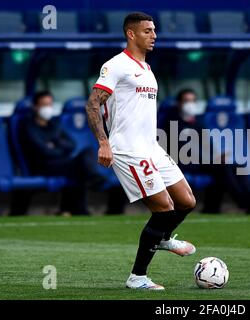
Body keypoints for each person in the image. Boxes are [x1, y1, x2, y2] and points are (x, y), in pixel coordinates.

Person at [86, 12, 196, 290]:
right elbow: (92, 104)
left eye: (155, 30)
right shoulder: (116, 66)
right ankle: (137, 277)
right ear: (131, 34)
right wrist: (103, 142)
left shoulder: (147, 69)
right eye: (147, 30)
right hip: (128, 150)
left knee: (186, 201)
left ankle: (163, 238)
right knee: (164, 208)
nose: (154, 35)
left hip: (151, 147)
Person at [164, 88, 250, 214]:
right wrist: (211, 159)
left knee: (237, 166)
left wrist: (216, 156)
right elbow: (183, 150)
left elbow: (207, 144)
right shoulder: (172, 122)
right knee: (222, 168)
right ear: (179, 103)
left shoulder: (197, 122)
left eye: (193, 101)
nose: (190, 104)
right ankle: (246, 202)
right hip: (183, 162)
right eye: (186, 101)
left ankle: (220, 205)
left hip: (203, 162)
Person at [22, 90, 108, 215]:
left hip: (61, 163)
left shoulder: (54, 124)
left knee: (87, 152)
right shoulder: (29, 127)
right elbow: (44, 151)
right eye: (44, 105)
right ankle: (93, 183)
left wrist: (54, 144)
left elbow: (71, 145)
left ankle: (76, 207)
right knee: (81, 166)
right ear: (35, 107)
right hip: (43, 166)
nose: (48, 108)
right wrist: (58, 146)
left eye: (50, 105)